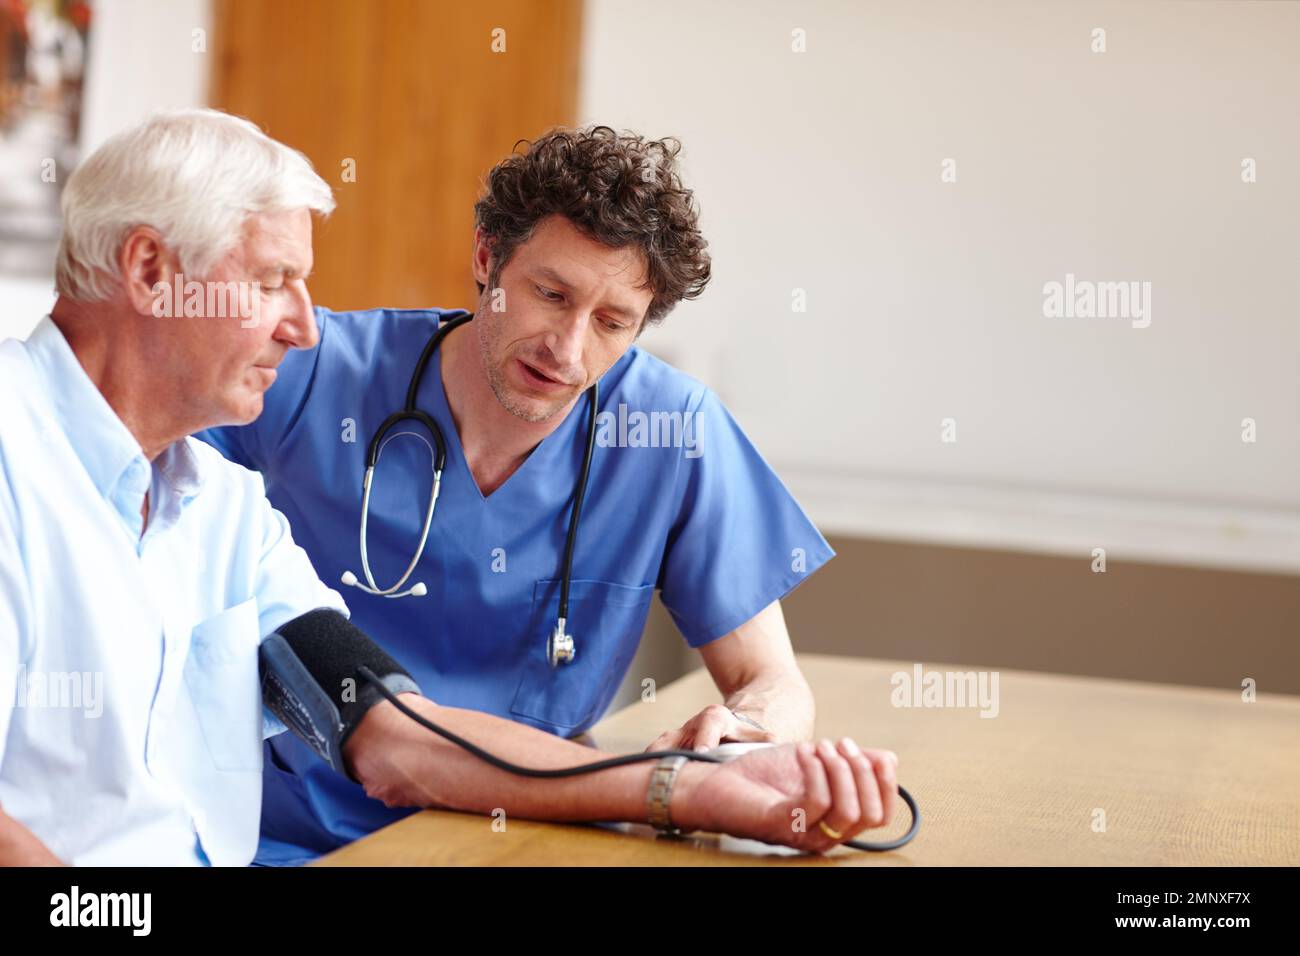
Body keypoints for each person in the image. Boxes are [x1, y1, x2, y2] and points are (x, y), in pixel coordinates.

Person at [0, 108, 898, 866]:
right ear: (154, 273)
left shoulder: (221, 506)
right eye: (275, 280)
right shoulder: (37, 453)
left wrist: (701, 787)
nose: (305, 327)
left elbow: (391, 732)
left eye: (614, 322)